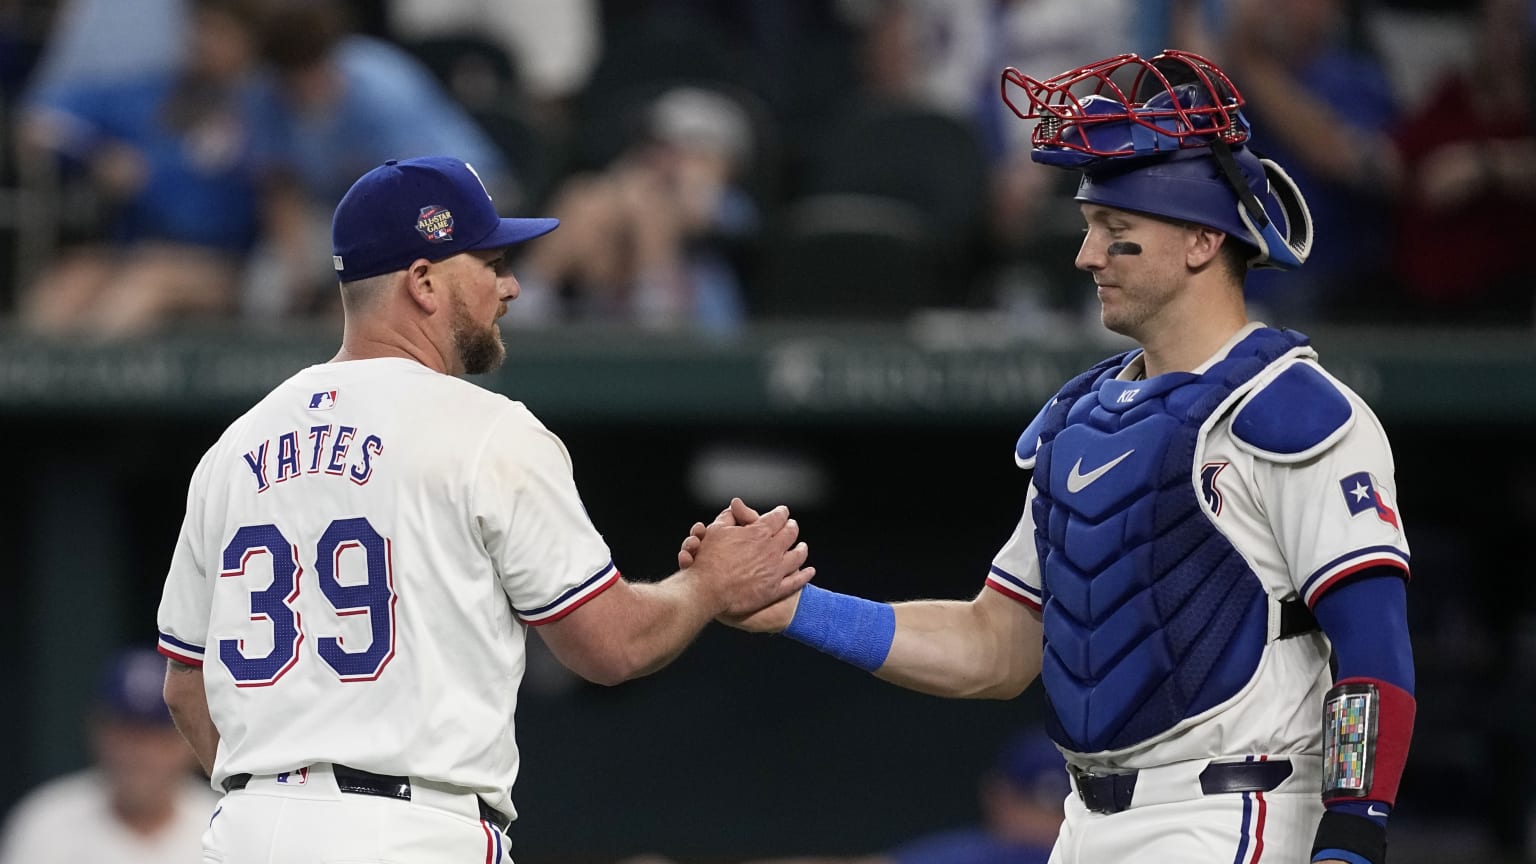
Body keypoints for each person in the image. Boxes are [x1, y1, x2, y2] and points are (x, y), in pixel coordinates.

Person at [691, 51, 1415, 864]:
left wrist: (1354, 832)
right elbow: (993, 646)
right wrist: (795, 608)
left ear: (1204, 240)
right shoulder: (1083, 418)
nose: (1087, 257)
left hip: (1235, 811)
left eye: (1119, 234)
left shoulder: (1293, 409)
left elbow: (1374, 648)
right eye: (1088, 229)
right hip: (1086, 823)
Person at [154, 155, 814, 864]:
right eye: (491, 262)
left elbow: (186, 687)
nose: (511, 285)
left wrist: (281, 795)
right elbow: (612, 646)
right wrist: (708, 584)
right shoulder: (487, 430)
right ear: (424, 282)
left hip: (248, 829)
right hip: (410, 832)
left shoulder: (235, 446)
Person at [16, 0, 261, 337]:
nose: (203, 42)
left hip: (221, 266)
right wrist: (97, 154)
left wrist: (152, 182)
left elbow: (237, 209)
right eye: (199, 28)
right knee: (67, 285)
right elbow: (45, 119)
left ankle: (93, 386)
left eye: (219, 32)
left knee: (140, 288)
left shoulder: (261, 109)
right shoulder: (152, 93)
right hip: (133, 250)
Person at [0, 648, 219, 864]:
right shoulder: (45, 824)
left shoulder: (222, 826)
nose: (140, 753)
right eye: (126, 732)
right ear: (97, 731)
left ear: (190, 741)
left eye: (156, 735)